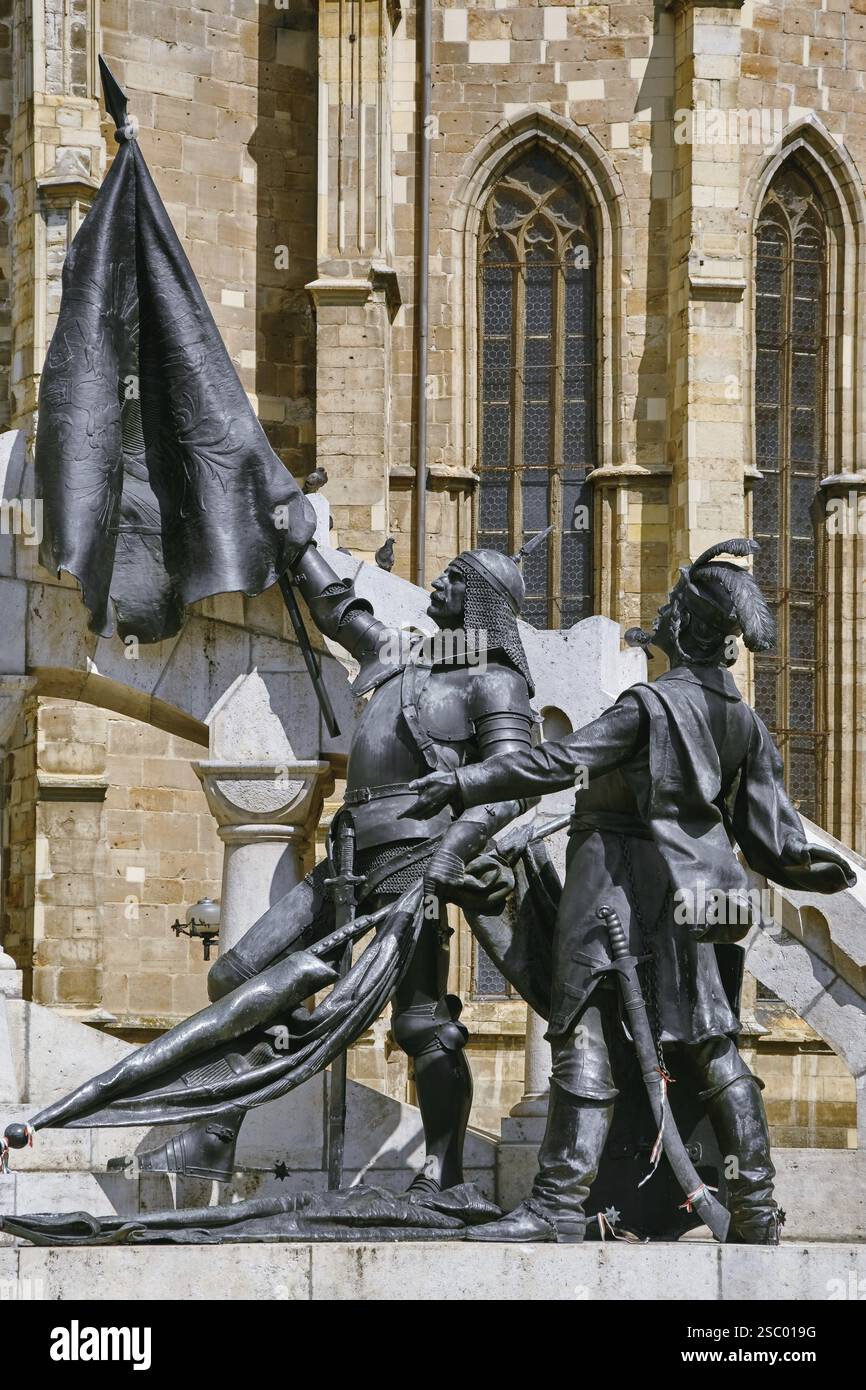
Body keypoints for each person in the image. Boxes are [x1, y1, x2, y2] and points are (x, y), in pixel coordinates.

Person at [9, 541, 538, 1198]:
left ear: (483, 600)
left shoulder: (496, 683)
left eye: (454, 579)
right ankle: (216, 1132)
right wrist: (296, 542)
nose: (437, 582)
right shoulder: (402, 656)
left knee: (420, 1021)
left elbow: (518, 780)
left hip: (418, 860)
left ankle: (443, 1175)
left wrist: (457, 841)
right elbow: (342, 611)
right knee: (239, 972)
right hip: (348, 858)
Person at [408, 539, 855, 1243]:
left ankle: (558, 1203)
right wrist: (816, 871)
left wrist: (462, 781)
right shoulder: (740, 718)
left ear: (685, 626)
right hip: (701, 891)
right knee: (712, 1045)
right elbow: (773, 836)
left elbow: (558, 759)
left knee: (581, 1024)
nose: (661, 613)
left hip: (614, 878)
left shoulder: (648, 704)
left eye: (671, 606)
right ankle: (755, 1207)